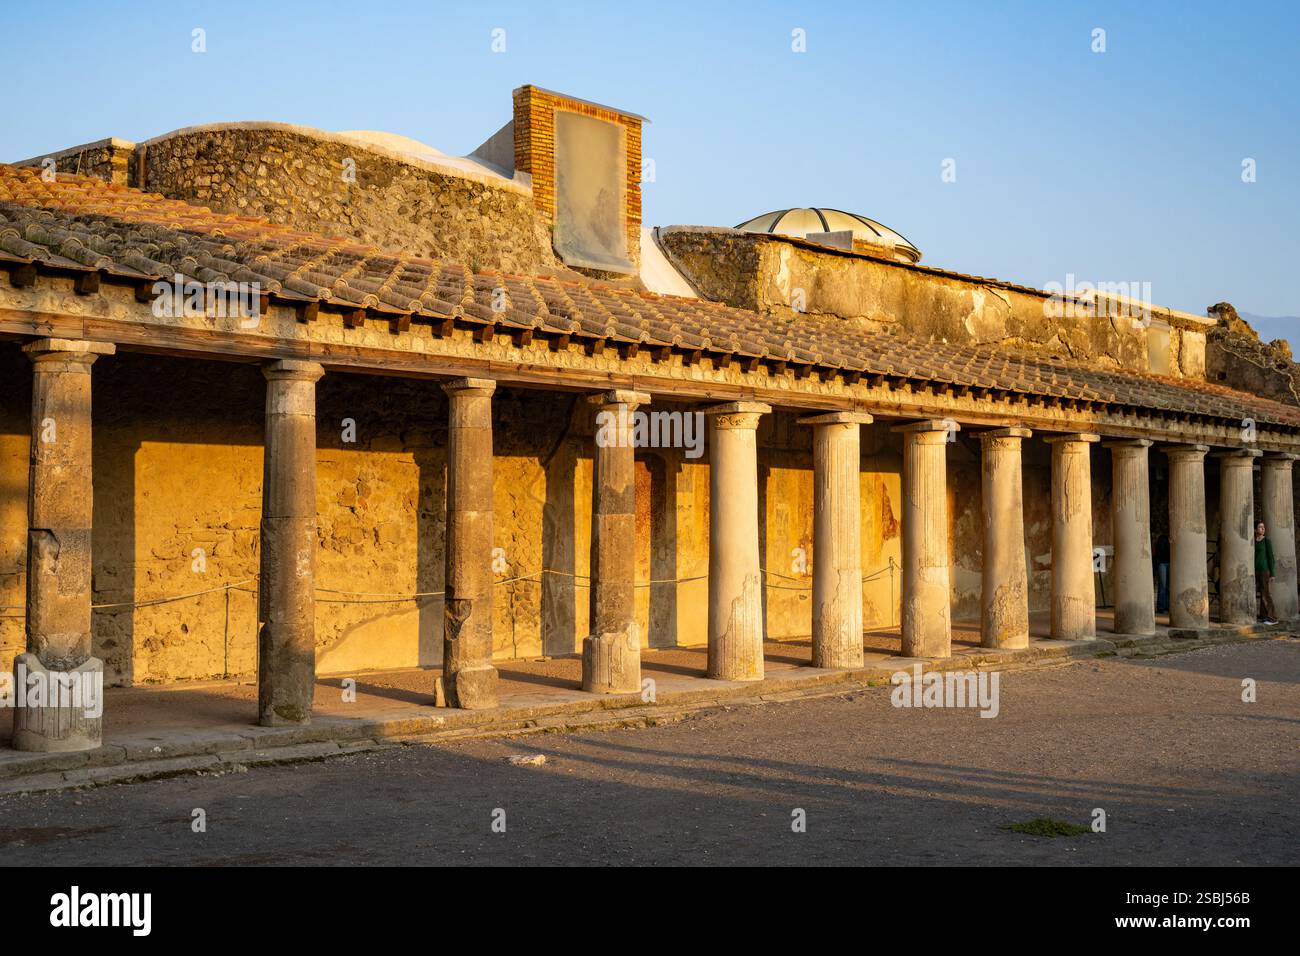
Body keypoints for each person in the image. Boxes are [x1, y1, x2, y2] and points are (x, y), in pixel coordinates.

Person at [1255, 521, 1278, 625]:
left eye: (1263, 527)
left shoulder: (1266, 541)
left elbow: (1271, 557)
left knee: (1266, 594)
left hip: (1265, 571)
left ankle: (1272, 618)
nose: (1263, 529)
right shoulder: (1254, 541)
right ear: (1255, 529)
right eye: (1260, 527)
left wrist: (1272, 573)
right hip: (1256, 570)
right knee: (1261, 593)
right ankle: (1264, 616)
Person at [1153, 532, 1170, 615]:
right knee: (1163, 586)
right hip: (1162, 563)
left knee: (1167, 586)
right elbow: (1157, 553)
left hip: (1168, 563)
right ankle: (1161, 607)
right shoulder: (1161, 539)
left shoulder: (1170, 539)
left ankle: (1167, 606)